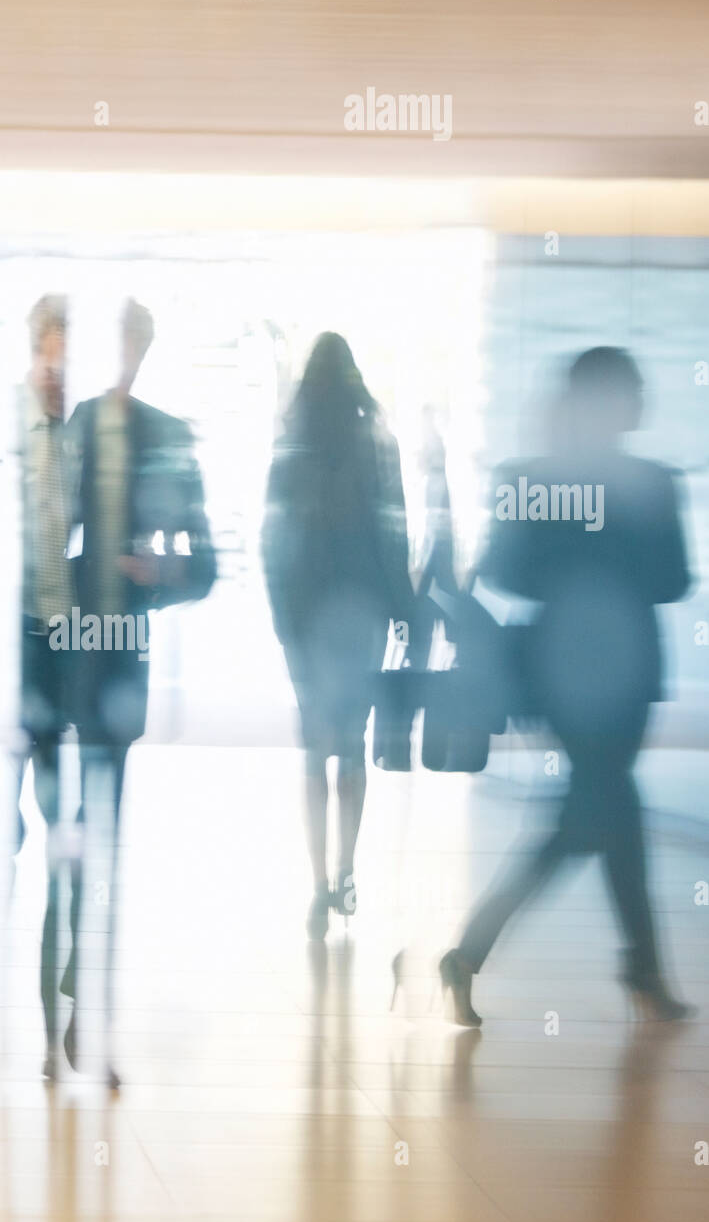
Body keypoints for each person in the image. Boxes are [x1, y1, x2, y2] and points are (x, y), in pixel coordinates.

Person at [439, 347, 693, 1025]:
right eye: (633, 390)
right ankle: (473, 953)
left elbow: (503, 572)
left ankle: (636, 968)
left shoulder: (535, 478)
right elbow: (672, 580)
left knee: (607, 811)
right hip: (615, 668)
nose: (641, 401)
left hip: (562, 669)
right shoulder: (650, 484)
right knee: (599, 809)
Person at [57, 298, 217, 1086]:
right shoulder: (72, 428)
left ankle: (90, 1004)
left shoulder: (168, 436)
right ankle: (71, 978)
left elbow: (206, 564)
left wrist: (158, 577)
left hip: (121, 656)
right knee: (68, 819)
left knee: (100, 822)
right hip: (65, 647)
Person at [262, 332, 411, 940]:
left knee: (312, 749)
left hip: (305, 619)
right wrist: (402, 608)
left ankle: (319, 880)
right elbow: (393, 533)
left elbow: (272, 545)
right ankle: (347, 870)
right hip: (362, 618)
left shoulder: (290, 450)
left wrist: (281, 619)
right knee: (351, 746)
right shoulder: (377, 447)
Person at [12, 294, 82, 1079]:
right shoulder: (4, 432)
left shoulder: (96, 435)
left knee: (66, 820)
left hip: (73, 651)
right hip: (13, 649)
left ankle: (67, 994)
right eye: (56, 361)